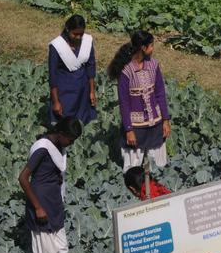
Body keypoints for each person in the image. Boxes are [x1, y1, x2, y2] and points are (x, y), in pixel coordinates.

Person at [18, 117, 83, 253]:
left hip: (54, 203)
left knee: (61, 248)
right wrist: (38, 208)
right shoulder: (43, 148)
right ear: (61, 134)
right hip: (41, 204)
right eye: (70, 140)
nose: (71, 143)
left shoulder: (58, 146)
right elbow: (23, 178)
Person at [109, 30, 171, 172]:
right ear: (143, 48)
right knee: (133, 168)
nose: (153, 48)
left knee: (158, 166)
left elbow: (160, 94)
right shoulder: (126, 71)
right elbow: (124, 103)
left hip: (155, 124)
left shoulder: (154, 65)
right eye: (151, 45)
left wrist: (165, 120)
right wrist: (129, 130)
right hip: (136, 127)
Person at [48, 15, 97, 125]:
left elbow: (91, 67)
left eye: (81, 34)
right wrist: (56, 102)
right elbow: (53, 76)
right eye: (75, 34)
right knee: (65, 125)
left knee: (83, 123)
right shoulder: (57, 46)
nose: (78, 37)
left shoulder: (87, 41)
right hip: (65, 93)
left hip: (83, 92)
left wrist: (92, 91)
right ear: (67, 29)